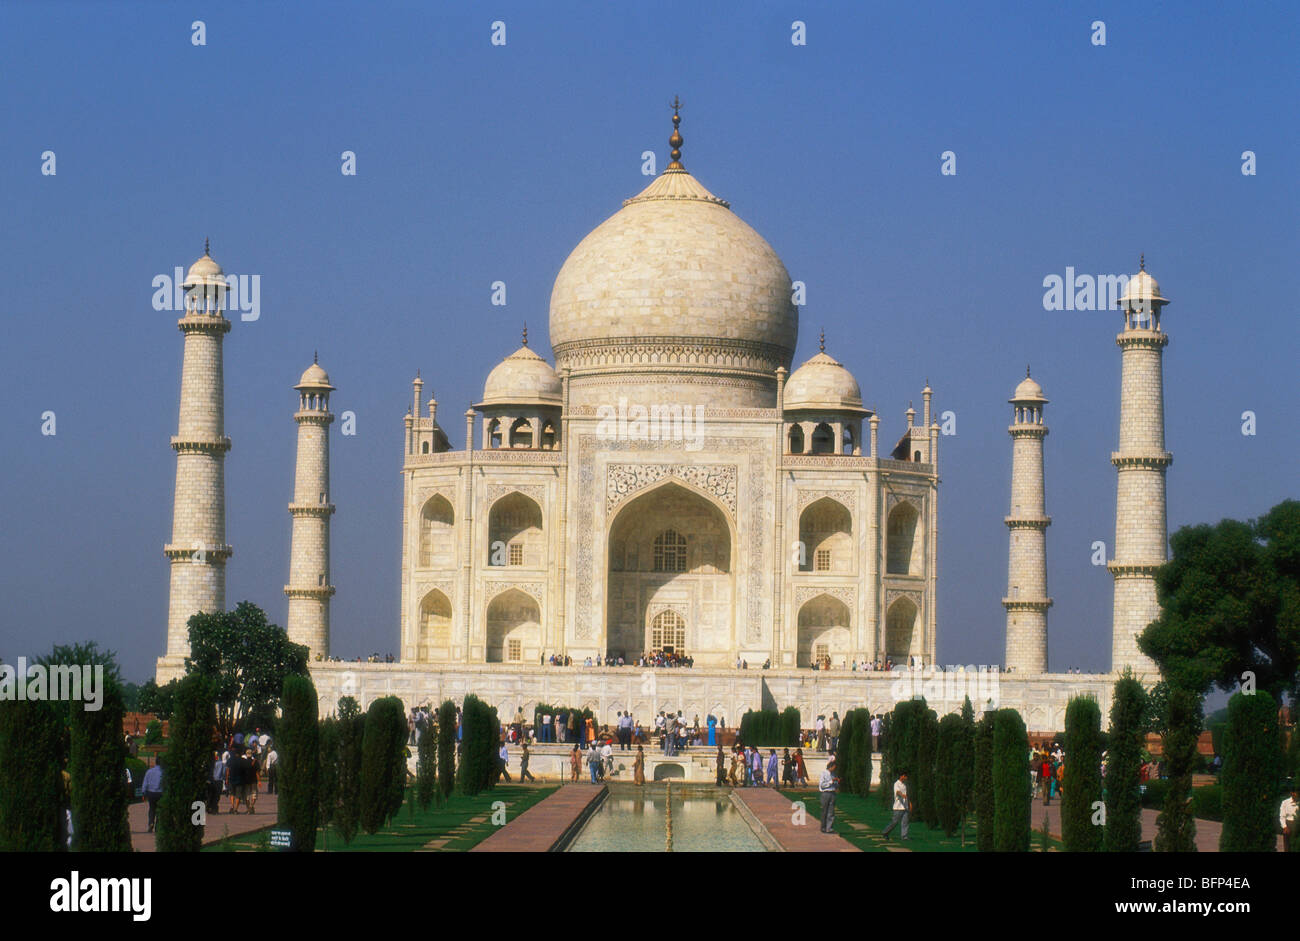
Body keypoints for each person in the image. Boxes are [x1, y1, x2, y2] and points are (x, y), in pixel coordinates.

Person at [881, 771, 910, 841]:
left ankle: (904, 836)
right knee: (894, 822)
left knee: (905, 822)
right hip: (898, 807)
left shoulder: (904, 785)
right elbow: (897, 792)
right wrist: (902, 795)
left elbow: (906, 795)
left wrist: (909, 803)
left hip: (905, 807)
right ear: (902, 776)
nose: (906, 778)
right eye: (905, 776)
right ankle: (885, 832)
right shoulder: (896, 784)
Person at [142, 758, 164, 833]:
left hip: (151, 793)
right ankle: (158, 826)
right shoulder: (163, 772)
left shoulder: (149, 771)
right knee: (160, 810)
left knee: (152, 809)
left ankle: (151, 823)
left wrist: (143, 792)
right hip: (160, 793)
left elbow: (145, 783)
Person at [818, 759, 839, 833]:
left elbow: (835, 784)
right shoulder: (823, 773)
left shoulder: (834, 774)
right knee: (824, 811)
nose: (834, 769)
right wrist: (831, 782)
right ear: (830, 767)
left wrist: (837, 782)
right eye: (834, 767)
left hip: (832, 793)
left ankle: (829, 828)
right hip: (825, 793)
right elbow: (822, 785)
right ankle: (823, 827)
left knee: (831, 811)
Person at [1280, 788, 1298, 853]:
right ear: (1292, 793)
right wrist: (1284, 827)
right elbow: (1282, 816)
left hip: (1298, 824)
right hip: (1288, 825)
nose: (1297, 794)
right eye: (1296, 792)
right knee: (1287, 846)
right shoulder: (1285, 802)